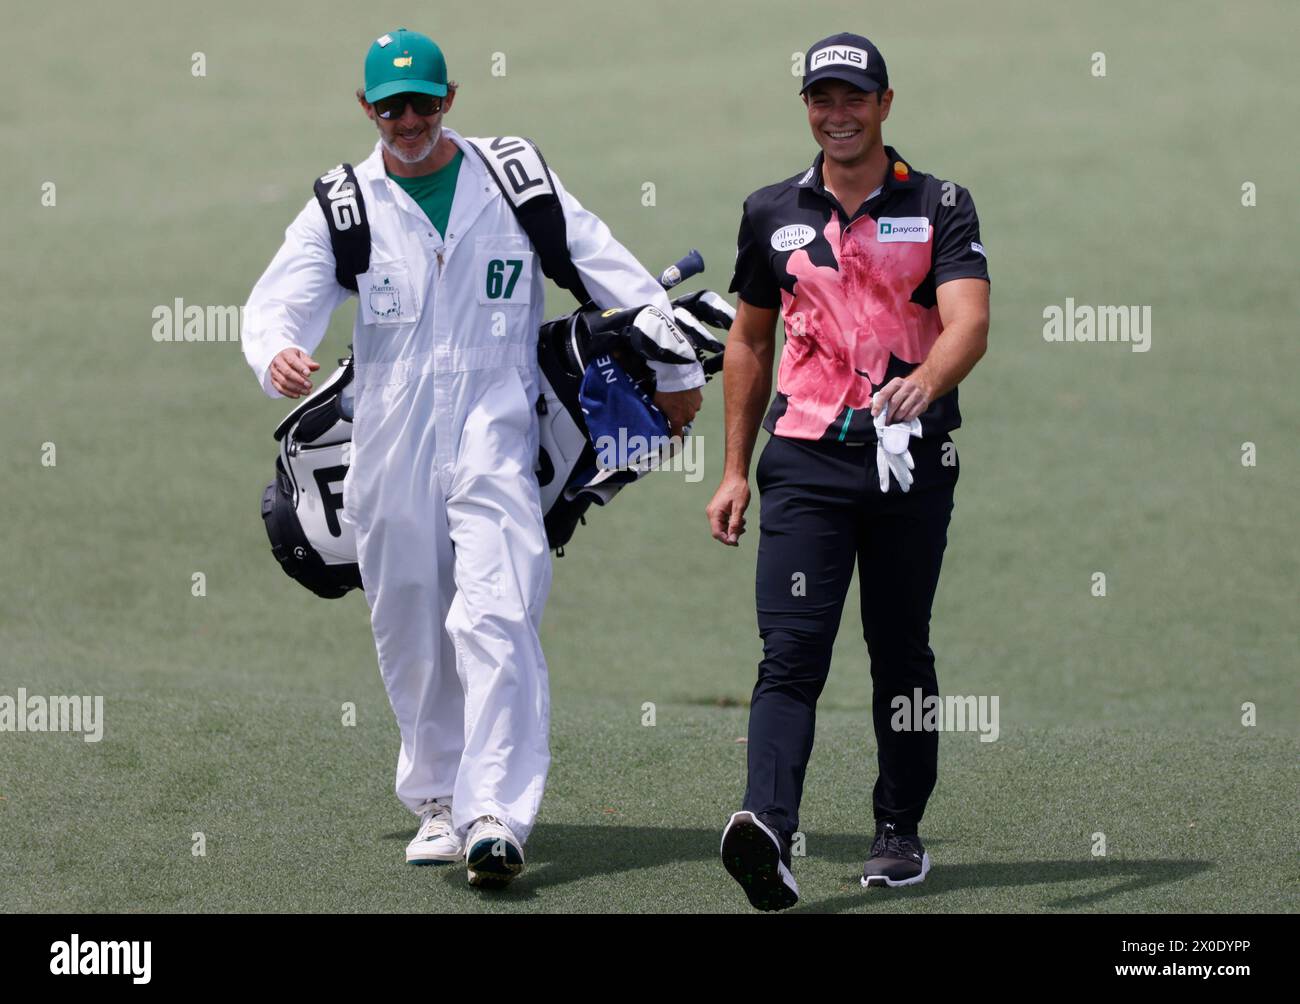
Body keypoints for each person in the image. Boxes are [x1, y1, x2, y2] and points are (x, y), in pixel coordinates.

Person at [242, 27, 703, 888]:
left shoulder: (514, 178)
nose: (408, 119)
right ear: (366, 109)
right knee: (410, 620)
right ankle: (438, 800)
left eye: (422, 102)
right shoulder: (344, 203)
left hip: (497, 426)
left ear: (449, 98)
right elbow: (284, 293)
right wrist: (275, 351)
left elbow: (604, 262)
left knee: (497, 610)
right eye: (391, 106)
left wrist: (675, 363)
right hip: (389, 441)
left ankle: (496, 811)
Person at [707, 32, 990, 911]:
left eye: (854, 99)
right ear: (806, 107)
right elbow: (749, 340)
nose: (838, 115)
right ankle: (767, 826)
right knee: (789, 653)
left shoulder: (940, 203)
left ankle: (898, 832)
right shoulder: (769, 212)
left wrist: (924, 384)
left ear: (885, 104)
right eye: (821, 99)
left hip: (912, 466)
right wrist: (734, 472)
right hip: (804, 463)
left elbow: (968, 323)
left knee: (898, 648)